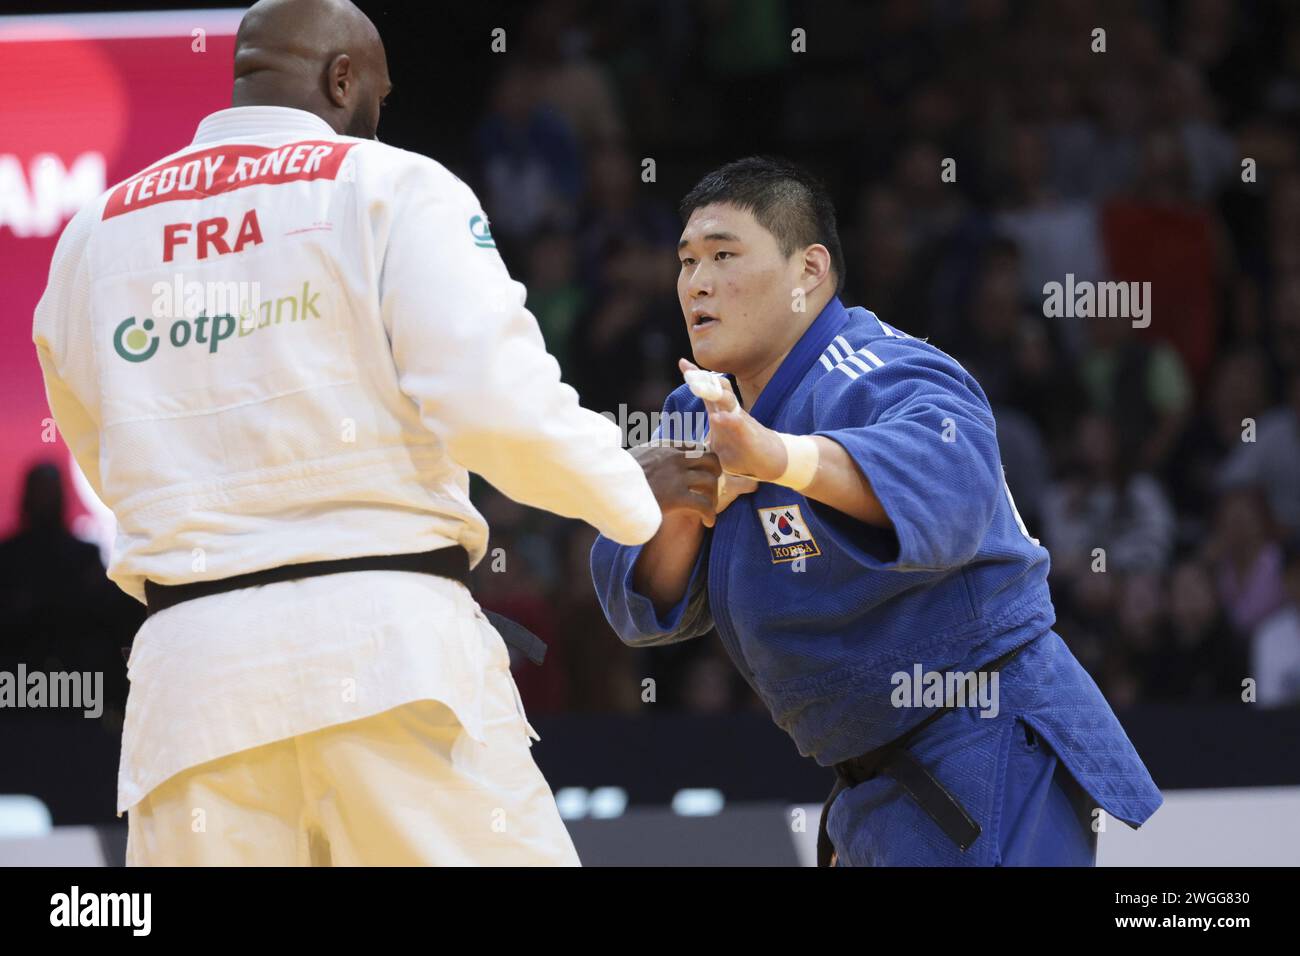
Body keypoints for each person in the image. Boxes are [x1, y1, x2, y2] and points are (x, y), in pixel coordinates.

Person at [31, 0, 660, 866]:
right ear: (342, 79)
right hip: (387, 654)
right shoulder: (390, 186)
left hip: (193, 688)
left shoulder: (96, 232)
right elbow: (497, 404)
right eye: (378, 95)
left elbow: (107, 454)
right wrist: (637, 497)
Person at [590, 156, 1163, 866]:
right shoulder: (697, 412)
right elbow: (638, 606)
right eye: (685, 261)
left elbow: (950, 491)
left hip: (985, 743)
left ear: (808, 272)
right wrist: (682, 503)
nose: (697, 282)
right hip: (873, 784)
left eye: (723, 255)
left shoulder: (887, 366)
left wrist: (777, 458)